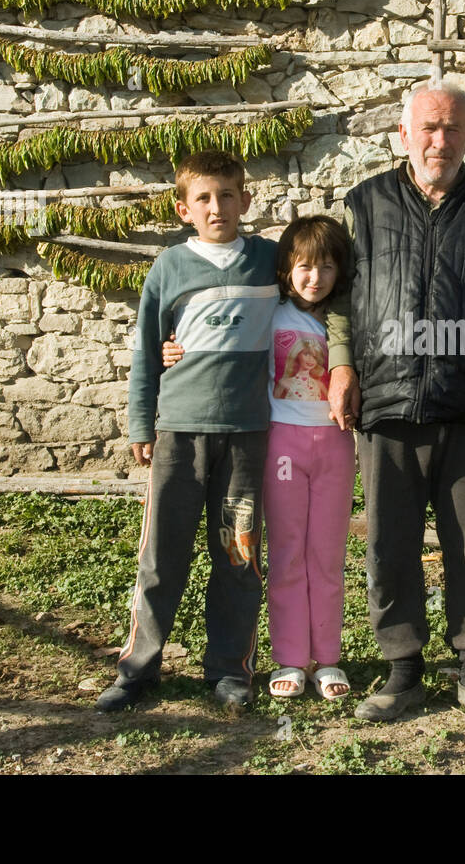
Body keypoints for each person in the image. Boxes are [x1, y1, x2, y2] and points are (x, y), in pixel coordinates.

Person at [325, 79, 465, 725]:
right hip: (385, 405)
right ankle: (402, 673)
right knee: (389, 546)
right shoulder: (361, 207)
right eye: (429, 128)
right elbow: (340, 299)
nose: (439, 140)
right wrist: (339, 367)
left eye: (453, 128)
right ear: (404, 135)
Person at [96, 150, 278, 714]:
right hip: (179, 433)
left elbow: (315, 304)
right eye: (203, 198)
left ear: (246, 200)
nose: (216, 206)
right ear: (184, 209)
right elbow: (149, 351)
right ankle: (138, 669)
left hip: (248, 435)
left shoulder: (272, 261)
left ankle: (229, 669)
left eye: (227, 195)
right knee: (162, 555)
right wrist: (140, 421)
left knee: (238, 552)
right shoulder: (170, 267)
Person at [163, 216, 355, 702]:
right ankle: (290, 657)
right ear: (287, 267)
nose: (316, 278)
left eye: (328, 267)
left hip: (335, 443)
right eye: (306, 267)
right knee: (288, 554)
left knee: (328, 556)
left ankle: (328, 658)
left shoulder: (348, 317)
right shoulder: (269, 311)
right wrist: (176, 346)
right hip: (282, 444)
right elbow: (222, 333)